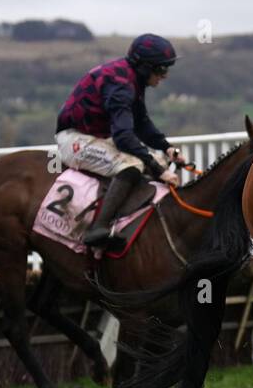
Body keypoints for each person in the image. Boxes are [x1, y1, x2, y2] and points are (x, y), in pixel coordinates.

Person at [55, 33, 183, 247]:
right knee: (131, 165)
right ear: (144, 66)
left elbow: (141, 123)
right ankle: (99, 229)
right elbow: (124, 137)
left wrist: (166, 148)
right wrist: (160, 171)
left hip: (97, 136)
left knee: (157, 161)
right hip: (74, 139)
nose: (165, 75)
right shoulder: (120, 85)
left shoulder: (133, 78)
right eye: (161, 69)